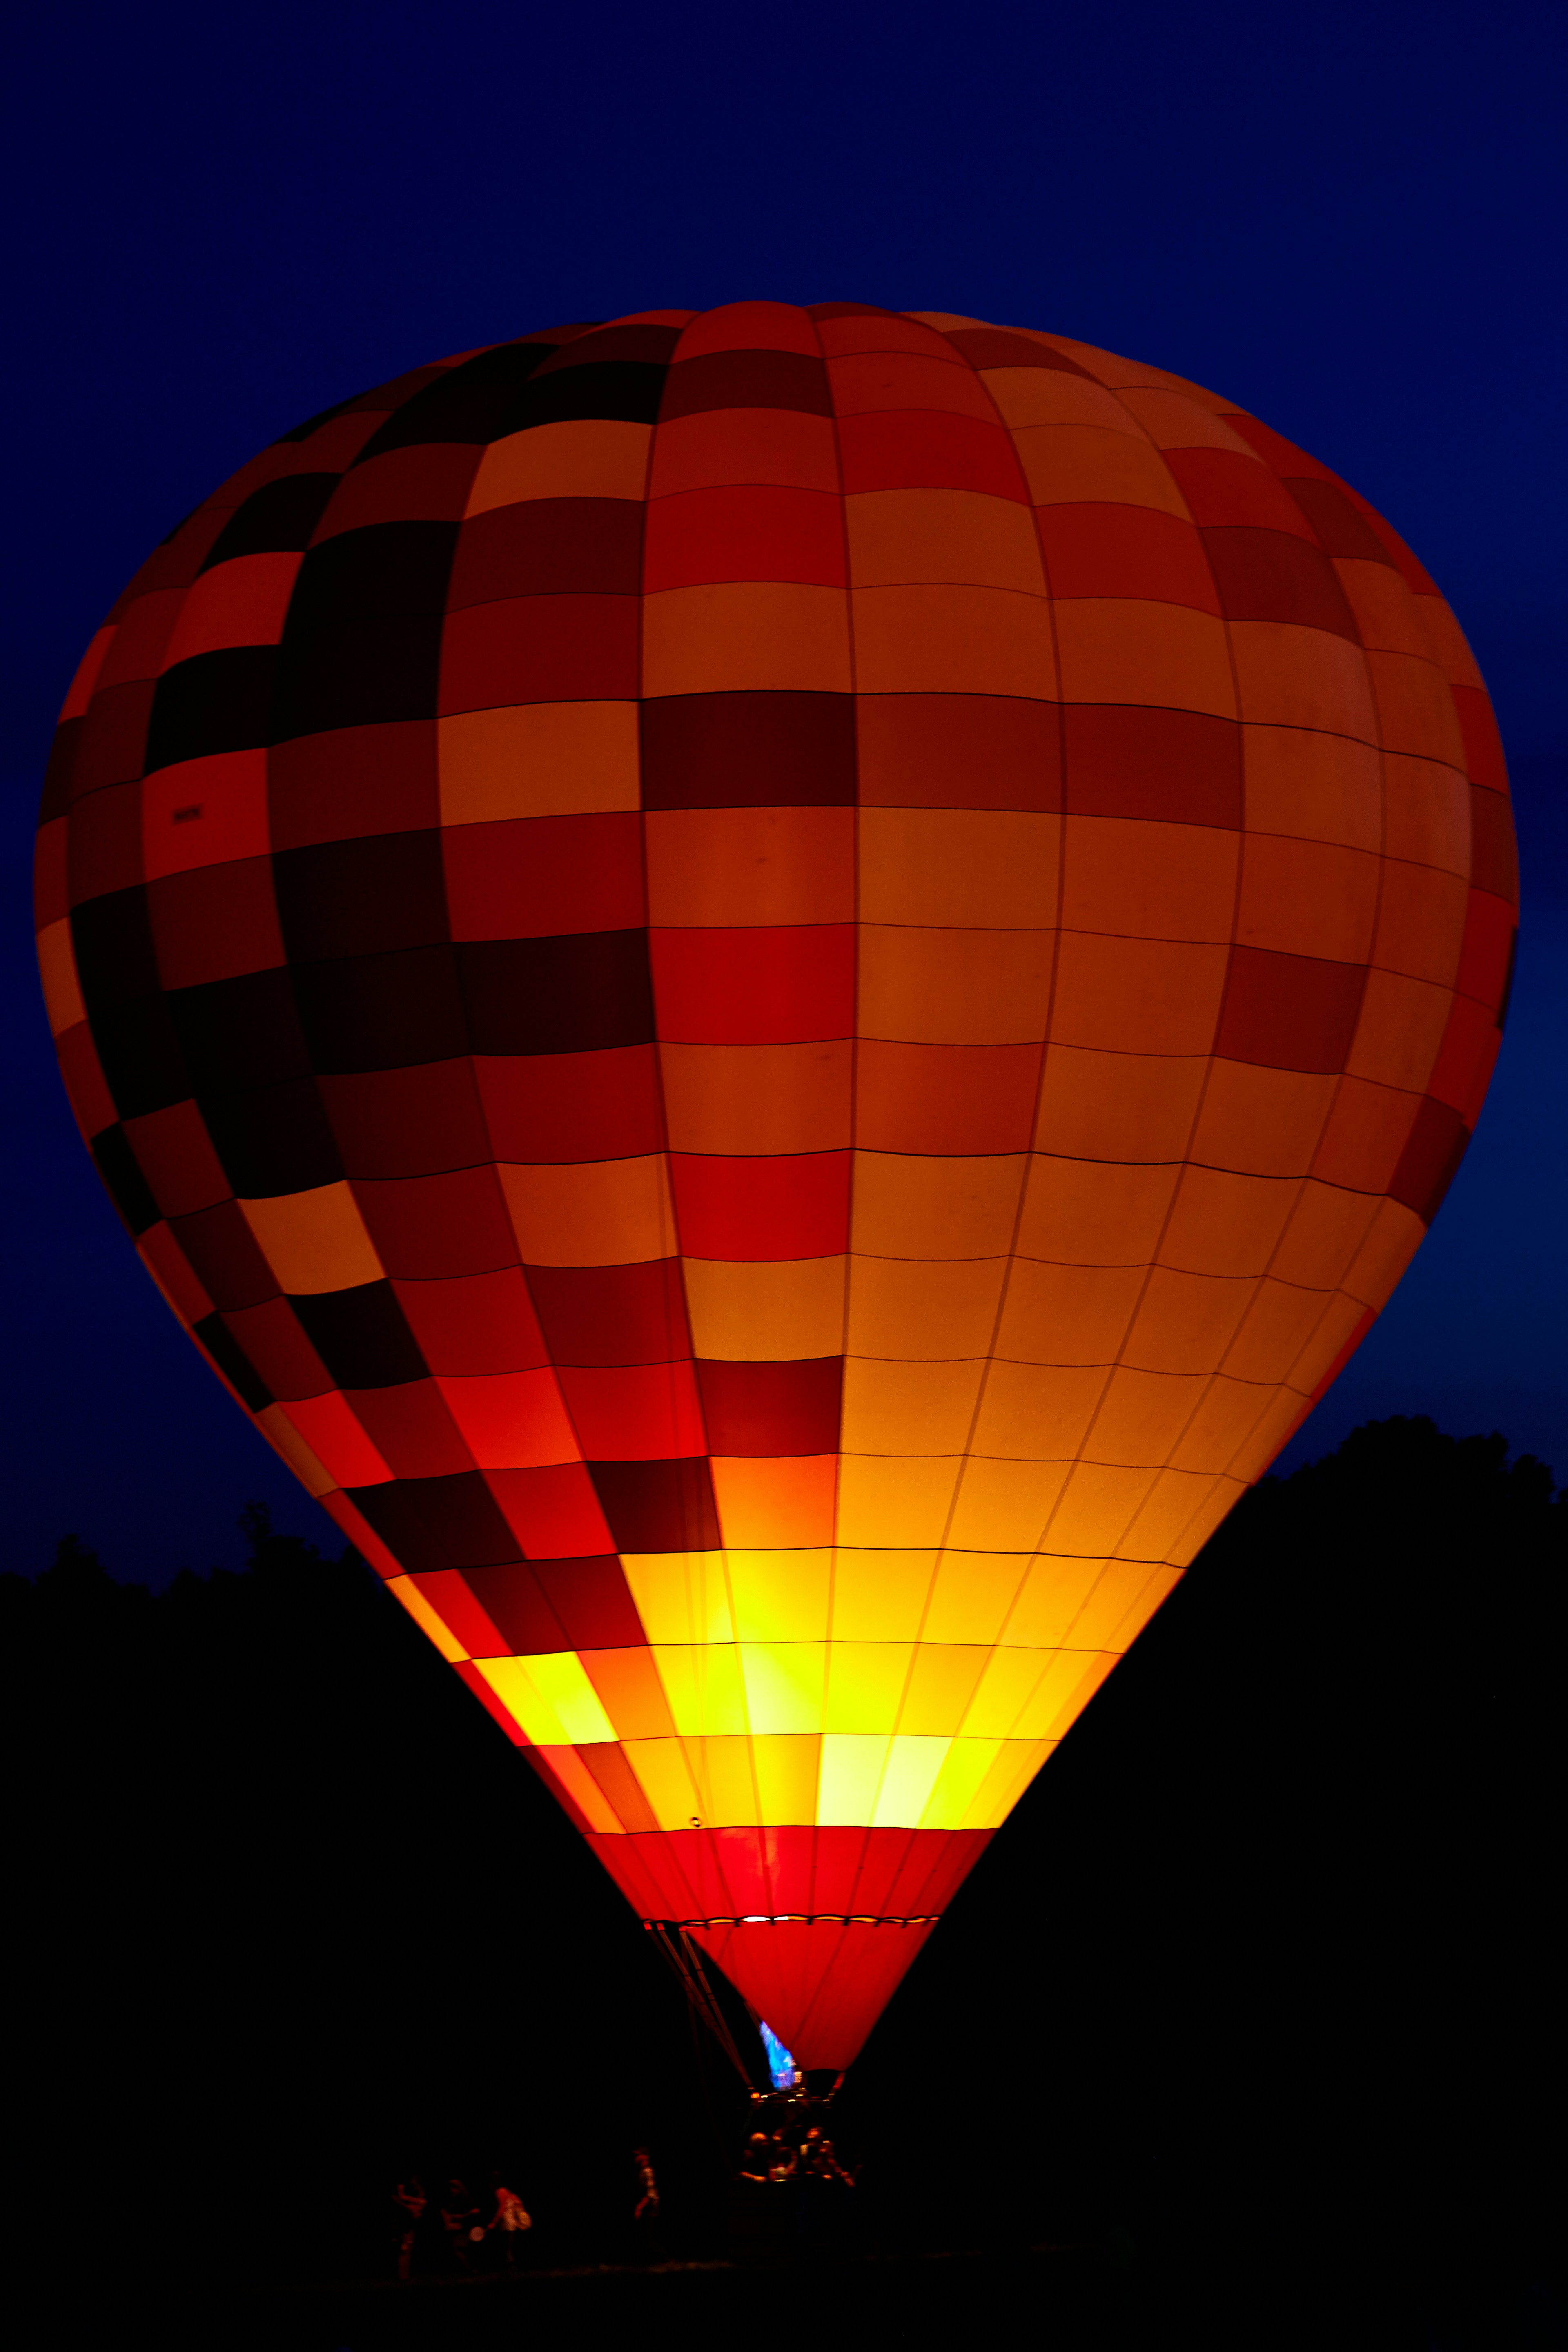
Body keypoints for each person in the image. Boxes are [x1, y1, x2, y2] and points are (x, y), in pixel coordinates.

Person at [490, 2180, 532, 2270]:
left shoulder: (500, 2191)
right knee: (510, 2246)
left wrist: (494, 2222)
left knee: (507, 2247)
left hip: (507, 2223)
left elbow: (502, 2208)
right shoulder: (509, 2193)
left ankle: (511, 2267)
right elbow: (519, 2204)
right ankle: (513, 2267)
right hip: (513, 2223)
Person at [631, 2146, 662, 2261]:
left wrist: (640, 2207)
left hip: (650, 2206)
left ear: (645, 2157)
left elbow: (650, 2193)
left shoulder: (647, 2172)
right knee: (646, 2234)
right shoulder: (642, 2171)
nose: (636, 2157)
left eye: (638, 2155)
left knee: (649, 2234)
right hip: (647, 2205)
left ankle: (662, 2257)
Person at [392, 2176, 425, 2281]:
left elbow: (402, 2197)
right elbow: (401, 2199)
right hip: (408, 2227)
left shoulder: (421, 2201)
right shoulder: (416, 2202)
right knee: (405, 2250)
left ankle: (405, 2276)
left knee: (407, 2250)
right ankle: (403, 2276)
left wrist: (400, 2189)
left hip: (410, 2227)